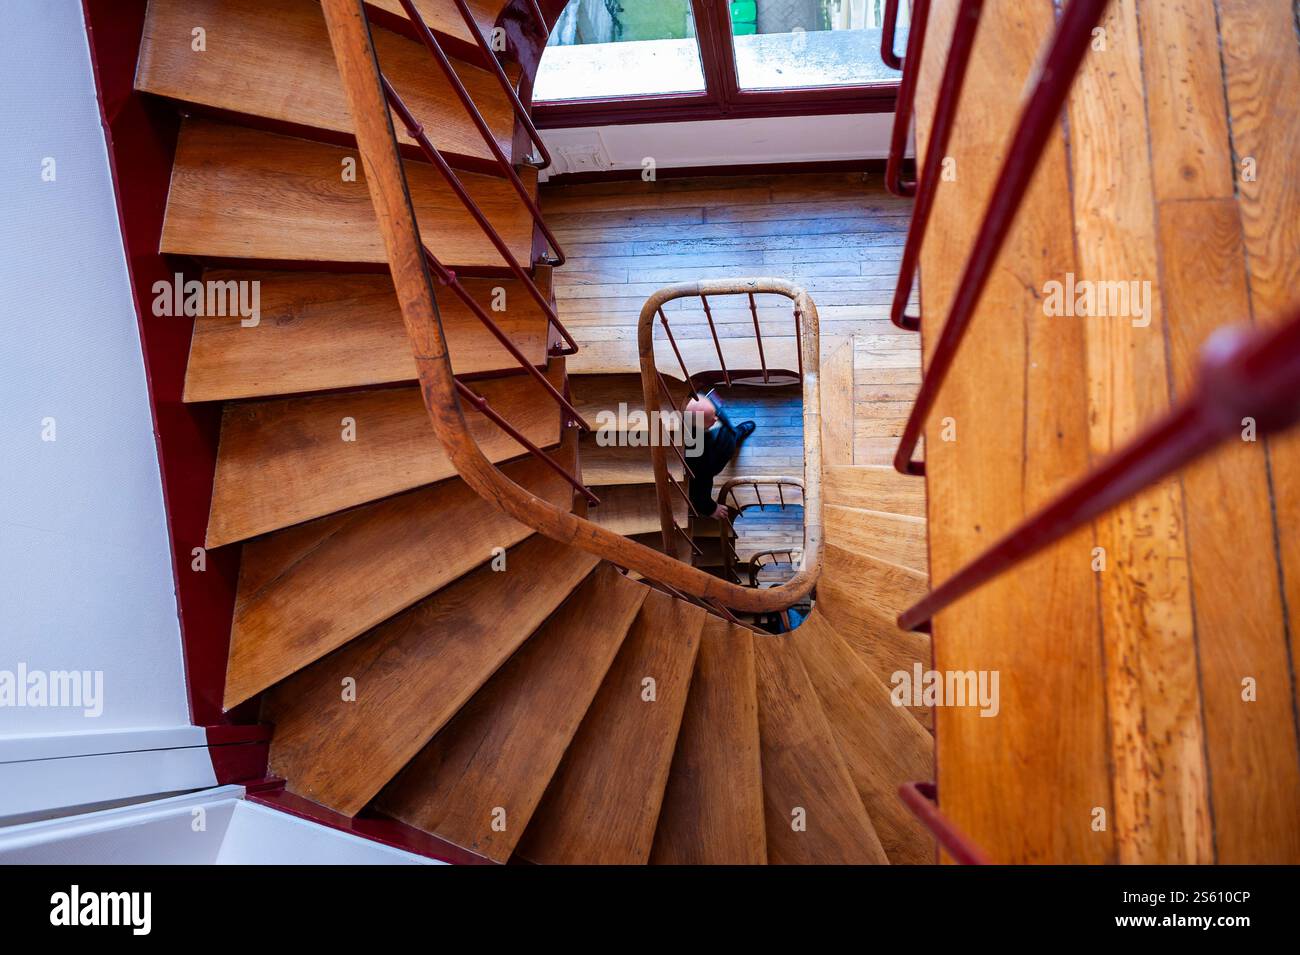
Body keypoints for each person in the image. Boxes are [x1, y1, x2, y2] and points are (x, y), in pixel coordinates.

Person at [684, 391, 756, 521]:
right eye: (711, 419)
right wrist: (709, 508)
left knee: (733, 433)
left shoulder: (697, 406)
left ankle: (737, 432)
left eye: (714, 413)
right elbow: (700, 485)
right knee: (731, 437)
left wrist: (714, 407)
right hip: (718, 454)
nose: (716, 418)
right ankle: (735, 435)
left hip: (727, 435)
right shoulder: (697, 454)